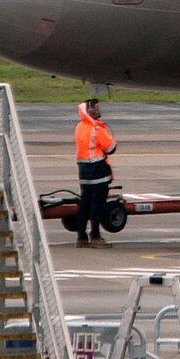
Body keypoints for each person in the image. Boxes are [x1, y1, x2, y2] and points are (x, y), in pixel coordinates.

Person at [74, 98, 116, 248]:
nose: (99, 111)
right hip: (98, 171)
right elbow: (111, 147)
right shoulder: (97, 129)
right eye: (97, 108)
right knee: (97, 205)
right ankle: (95, 236)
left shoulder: (79, 126)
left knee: (85, 203)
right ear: (90, 111)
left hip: (84, 171)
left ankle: (81, 236)